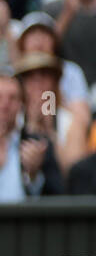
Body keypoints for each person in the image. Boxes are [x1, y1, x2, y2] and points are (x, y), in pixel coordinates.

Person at [0, 68, 62, 199]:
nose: (4, 105)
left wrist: (34, 176)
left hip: (21, 218)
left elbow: (58, 197)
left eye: (12, 98)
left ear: (21, 104)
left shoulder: (38, 144)